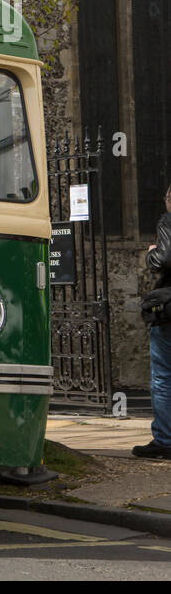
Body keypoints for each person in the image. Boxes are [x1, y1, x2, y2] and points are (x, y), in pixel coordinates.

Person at [138, 184, 171, 459]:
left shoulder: (168, 219)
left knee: (163, 376)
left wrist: (151, 252)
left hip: (169, 313)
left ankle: (165, 439)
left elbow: (163, 258)